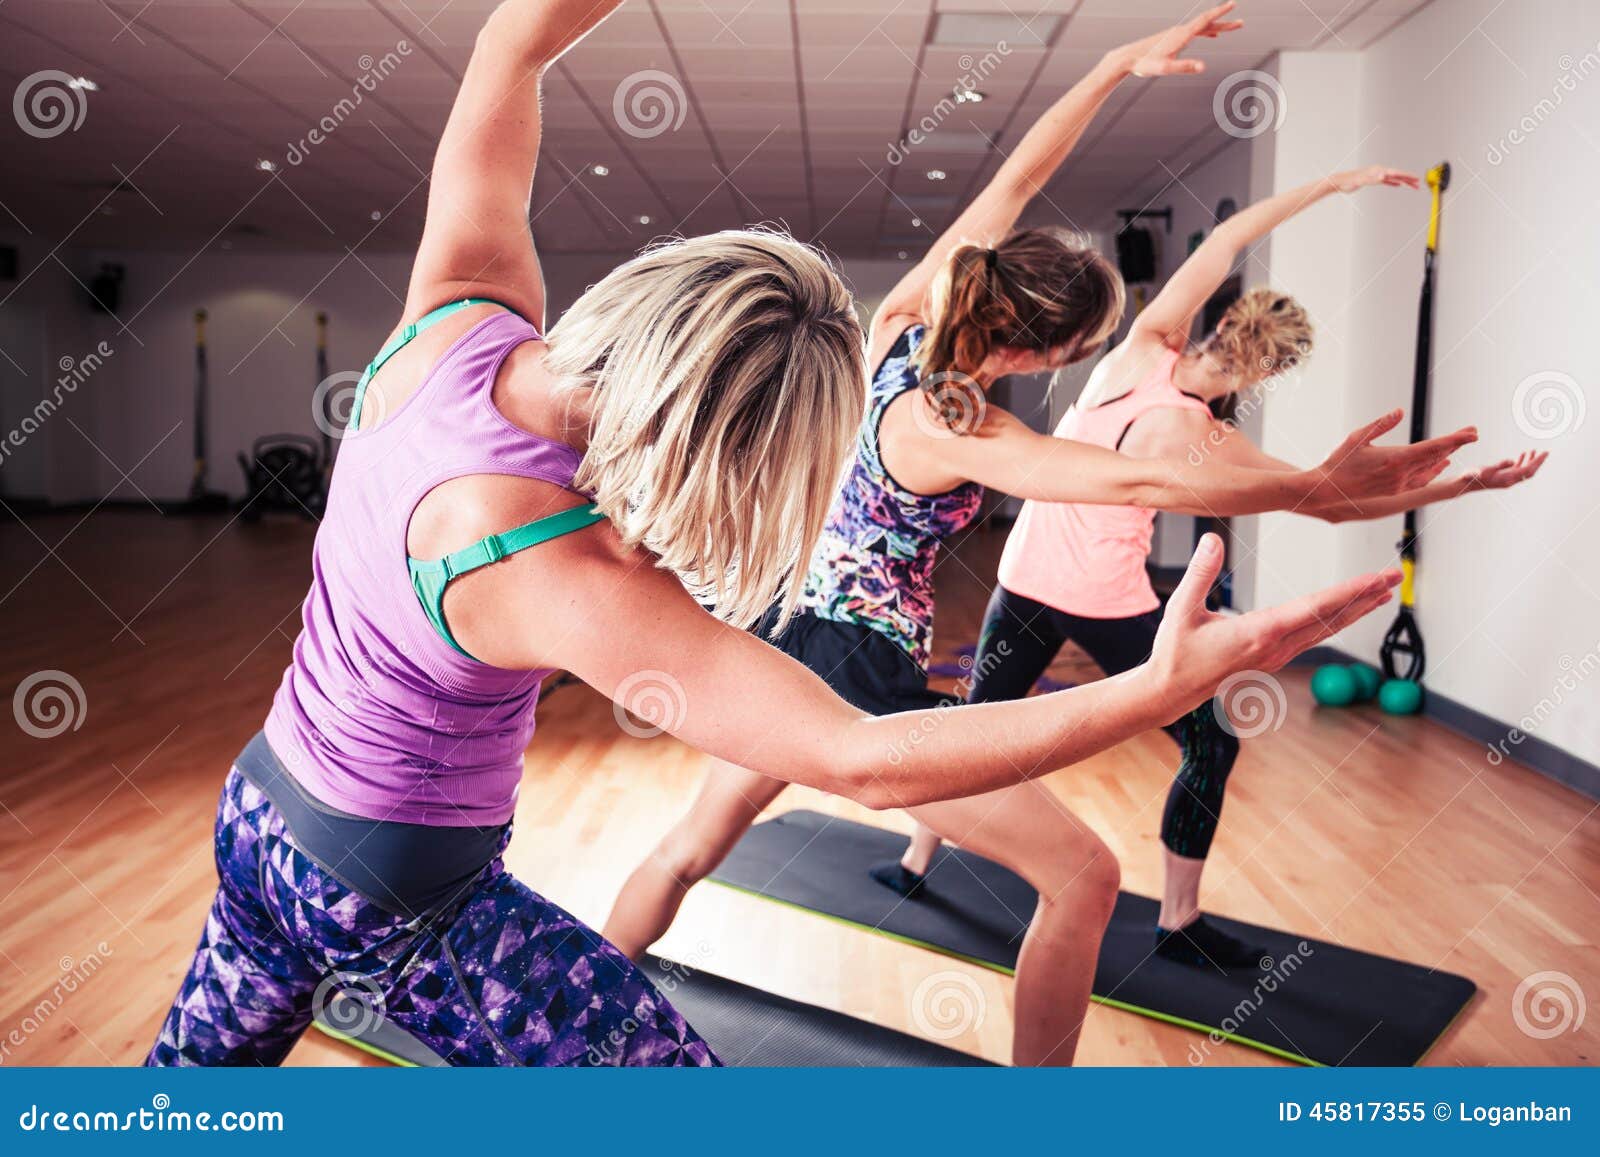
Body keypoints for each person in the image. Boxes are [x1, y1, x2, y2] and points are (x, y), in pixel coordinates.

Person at [143, 0, 1436, 1070]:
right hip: (400, 901)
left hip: (262, 816)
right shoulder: (549, 559)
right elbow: (862, 758)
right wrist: (1159, 682)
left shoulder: (458, 315)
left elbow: (513, 43)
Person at [602, 6, 1479, 1067]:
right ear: (1040, 347)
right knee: (1083, 875)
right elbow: (1143, 473)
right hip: (860, 676)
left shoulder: (897, 328)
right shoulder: (964, 427)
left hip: (778, 638)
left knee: (693, 846)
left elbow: (1012, 181)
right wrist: (1313, 487)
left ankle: (580, 1013)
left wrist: (1113, 67)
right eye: (1089, 343)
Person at [879, 165, 1547, 971]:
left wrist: (1335, 184)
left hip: (1025, 574)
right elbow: (1328, 502)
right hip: (1109, 600)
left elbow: (1231, 238)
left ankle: (914, 866)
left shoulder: (1141, 350)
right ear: (1267, 372)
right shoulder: (1216, 441)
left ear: (1220, 320)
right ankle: (1178, 919)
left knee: (970, 723)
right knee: (1210, 745)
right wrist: (1462, 486)